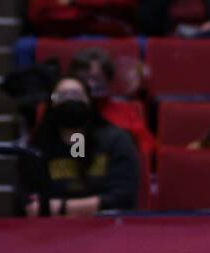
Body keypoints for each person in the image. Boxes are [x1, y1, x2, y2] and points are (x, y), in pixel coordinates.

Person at [20, 75, 139, 216]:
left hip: (105, 228)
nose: (70, 99)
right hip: (52, 231)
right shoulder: (37, 147)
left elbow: (123, 198)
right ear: (51, 104)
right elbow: (27, 202)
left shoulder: (117, 140)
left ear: (89, 101)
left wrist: (60, 208)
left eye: (76, 94)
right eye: (62, 95)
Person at [67, 46, 154, 162]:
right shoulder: (59, 111)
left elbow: (147, 147)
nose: (88, 85)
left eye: (95, 79)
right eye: (82, 79)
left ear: (108, 80)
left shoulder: (125, 112)